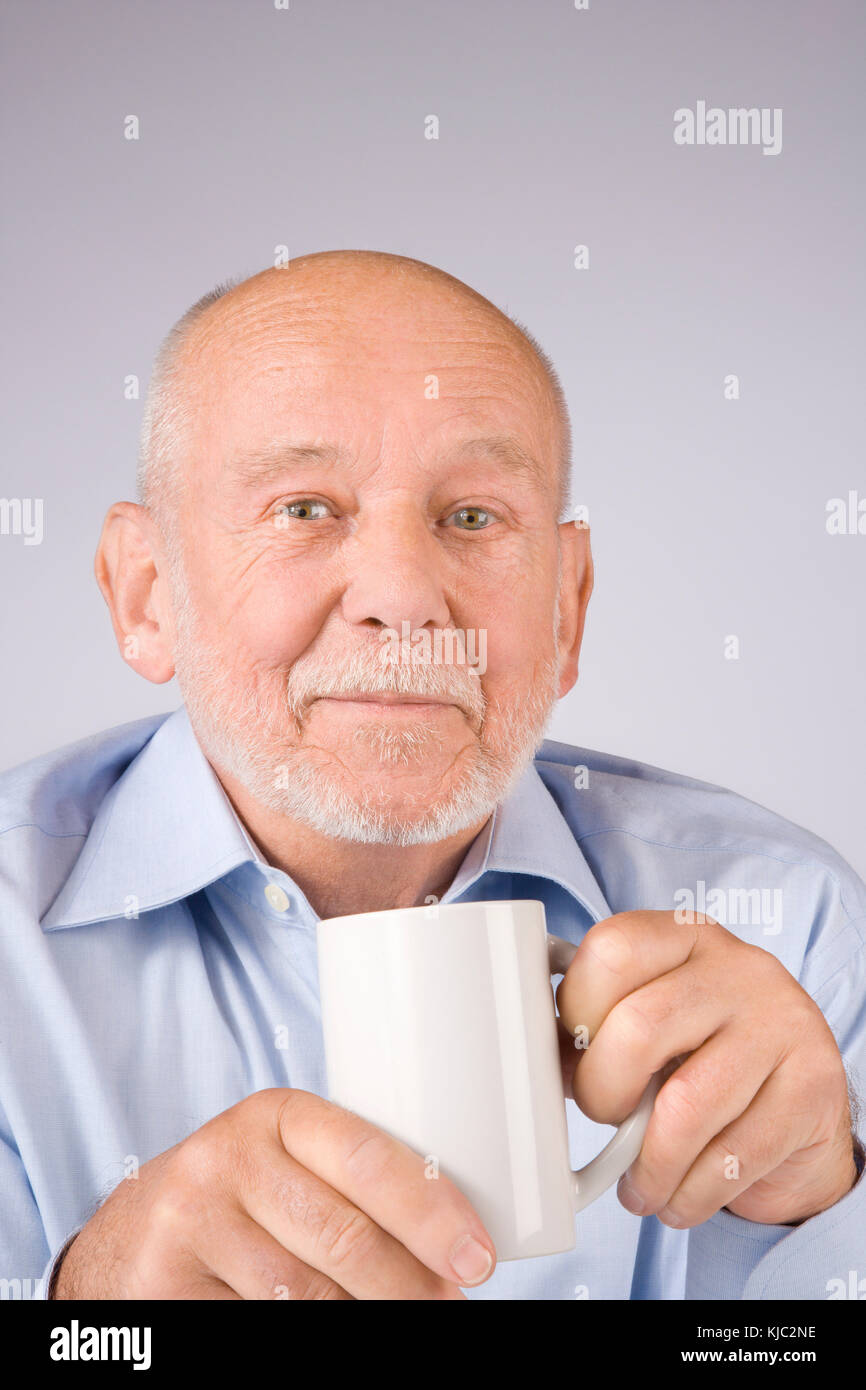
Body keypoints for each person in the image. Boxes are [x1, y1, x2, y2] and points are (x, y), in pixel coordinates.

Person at [1, 250, 863, 1301]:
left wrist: (820, 1205)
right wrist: (81, 1321)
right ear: (144, 592)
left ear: (564, 609)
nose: (404, 598)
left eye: (470, 518)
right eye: (304, 509)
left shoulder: (791, 923)